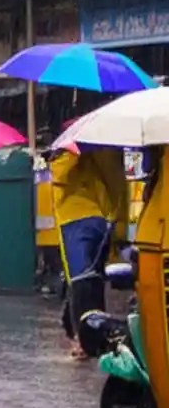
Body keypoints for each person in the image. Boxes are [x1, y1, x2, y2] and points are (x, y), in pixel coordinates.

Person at [50, 147, 127, 358]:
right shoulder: (98, 151)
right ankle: (93, 336)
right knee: (92, 280)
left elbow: (61, 179)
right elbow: (115, 183)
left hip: (74, 220)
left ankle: (82, 340)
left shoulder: (71, 155)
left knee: (81, 281)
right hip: (98, 218)